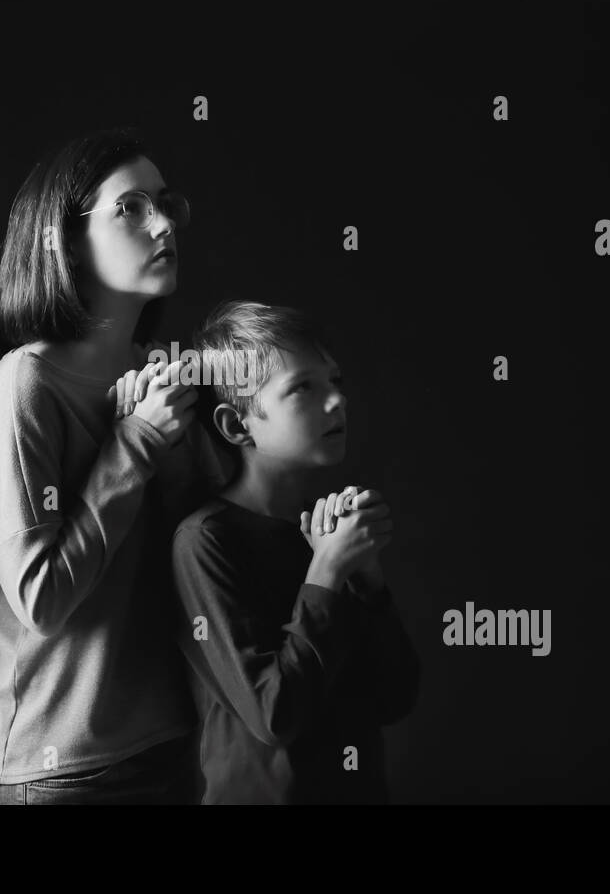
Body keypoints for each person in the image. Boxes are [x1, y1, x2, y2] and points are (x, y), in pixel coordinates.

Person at [0, 128, 224, 804]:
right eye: (130, 208)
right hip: (56, 775)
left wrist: (179, 434)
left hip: (172, 751)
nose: (164, 224)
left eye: (166, 204)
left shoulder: (158, 377)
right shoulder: (25, 384)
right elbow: (42, 599)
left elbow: (203, 552)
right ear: (65, 241)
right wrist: (135, 443)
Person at [168, 300, 421, 803]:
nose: (337, 400)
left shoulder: (325, 530)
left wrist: (368, 581)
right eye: (303, 387)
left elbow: (395, 697)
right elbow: (274, 715)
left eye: (335, 381)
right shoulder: (205, 541)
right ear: (237, 425)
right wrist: (327, 571)